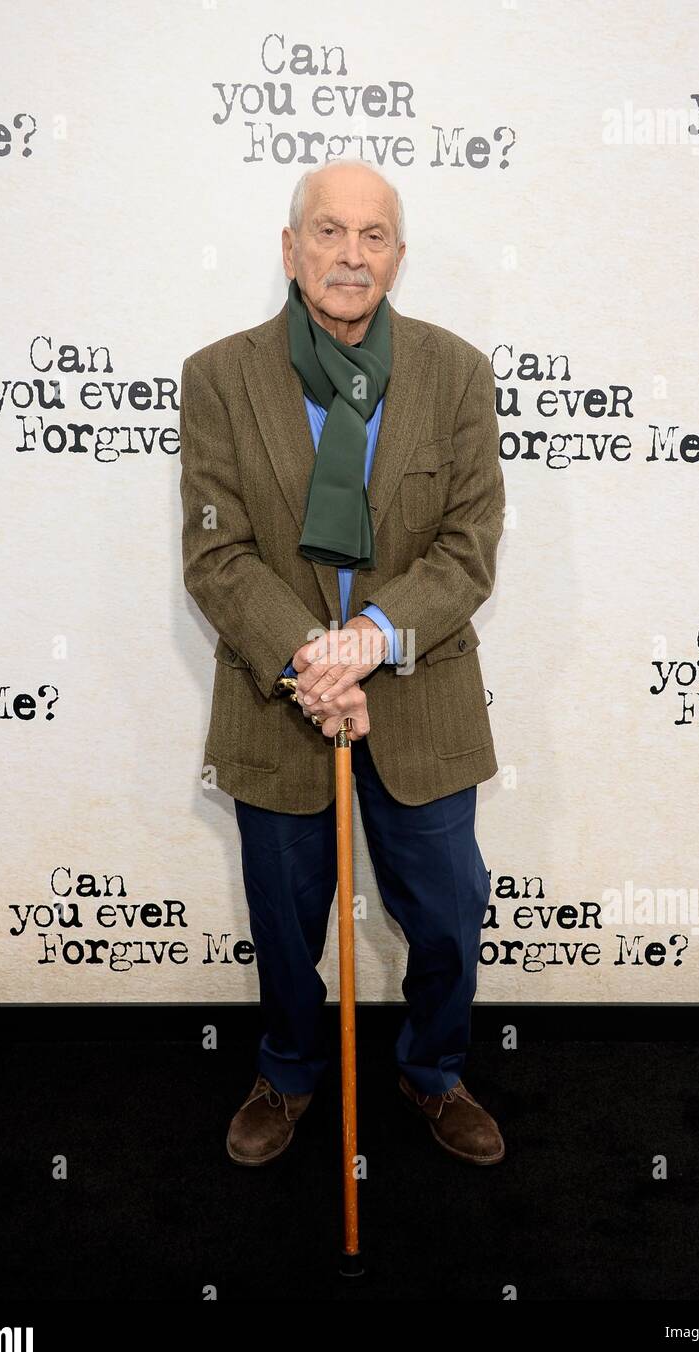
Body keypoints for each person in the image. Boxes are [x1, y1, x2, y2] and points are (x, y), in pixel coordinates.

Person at [179, 158, 506, 1168]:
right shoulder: (219, 377)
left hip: (424, 695)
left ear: (397, 258)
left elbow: (469, 543)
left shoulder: (457, 373)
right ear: (291, 248)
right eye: (328, 232)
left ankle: (433, 1069)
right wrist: (309, 659)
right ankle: (286, 1072)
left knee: (449, 915)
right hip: (278, 703)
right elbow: (215, 549)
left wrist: (369, 639)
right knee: (283, 923)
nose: (349, 255)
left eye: (372, 236)